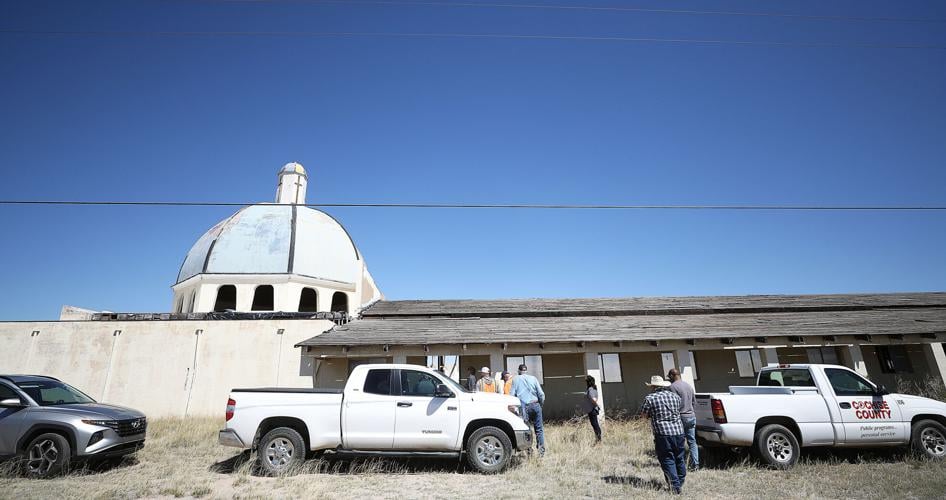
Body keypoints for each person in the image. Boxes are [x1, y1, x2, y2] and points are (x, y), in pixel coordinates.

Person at [640, 375, 686, 495]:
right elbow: (678, 411)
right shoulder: (675, 397)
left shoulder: (650, 398)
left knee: (667, 459)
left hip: (662, 432)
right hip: (679, 431)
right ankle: (680, 480)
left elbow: (644, 416)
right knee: (679, 458)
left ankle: (675, 486)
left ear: (653, 386)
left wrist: (652, 415)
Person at [510, 363, 546, 456]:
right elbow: (541, 394)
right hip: (535, 404)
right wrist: (540, 404)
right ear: (526, 370)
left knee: (526, 429)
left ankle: (529, 451)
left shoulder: (515, 379)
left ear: (518, 371)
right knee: (539, 429)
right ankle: (541, 452)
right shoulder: (533, 378)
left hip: (523, 406)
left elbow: (512, 395)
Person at [668, 368, 699, 471]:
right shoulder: (688, 386)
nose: (669, 379)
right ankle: (695, 464)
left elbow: (672, 404)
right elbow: (694, 402)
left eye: (669, 377)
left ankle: (680, 465)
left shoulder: (672, 387)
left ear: (672, 376)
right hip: (691, 416)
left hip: (680, 417)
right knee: (692, 442)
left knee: (679, 442)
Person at [581, 375, 602, 443]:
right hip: (591, 409)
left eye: (586, 382)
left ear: (588, 382)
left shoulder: (590, 389)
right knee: (594, 424)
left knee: (595, 424)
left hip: (592, 410)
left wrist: (596, 405)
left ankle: (598, 440)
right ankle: (598, 439)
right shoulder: (592, 389)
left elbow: (594, 399)